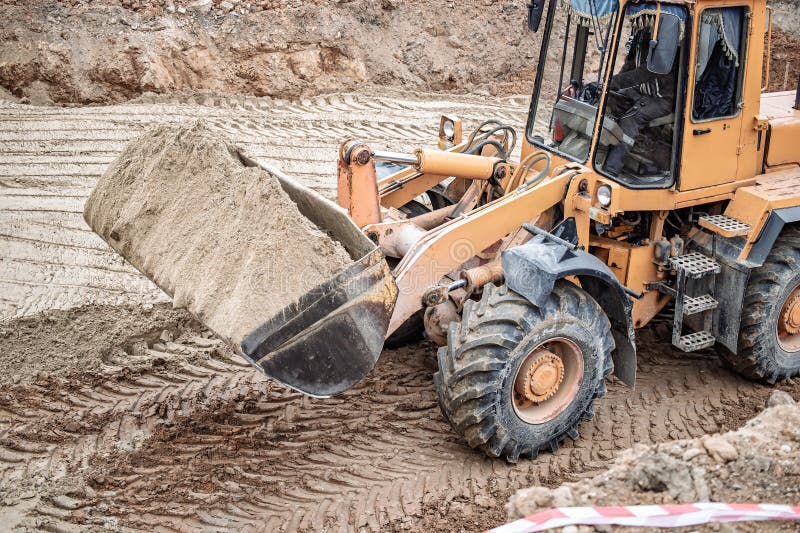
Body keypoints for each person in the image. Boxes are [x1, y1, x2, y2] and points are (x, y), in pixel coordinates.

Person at [604, 30, 678, 175]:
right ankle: (599, 152)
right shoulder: (640, 36)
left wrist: (610, 83)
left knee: (631, 119)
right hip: (643, 90)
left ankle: (611, 169)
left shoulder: (664, 44)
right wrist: (608, 89)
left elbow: (643, 74)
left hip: (662, 98)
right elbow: (631, 65)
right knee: (612, 99)